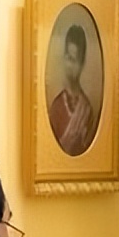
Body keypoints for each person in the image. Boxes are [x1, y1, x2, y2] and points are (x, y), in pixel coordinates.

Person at [48, 23, 97, 156]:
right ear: (64, 58)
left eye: (76, 61)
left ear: (81, 64)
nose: (71, 66)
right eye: (69, 58)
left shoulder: (86, 109)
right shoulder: (56, 107)